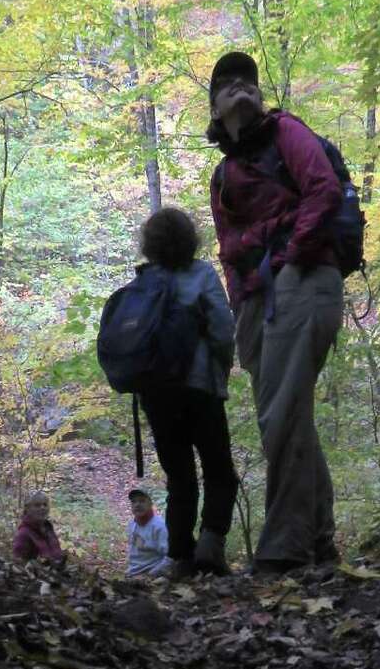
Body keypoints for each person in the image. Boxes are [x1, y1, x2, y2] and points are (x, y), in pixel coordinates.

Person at [207, 52, 344, 572]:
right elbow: (226, 247)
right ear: (215, 110)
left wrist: (288, 256)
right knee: (285, 419)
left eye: (248, 80)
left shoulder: (287, 131)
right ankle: (321, 539)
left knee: (282, 413)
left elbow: (323, 190)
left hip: (302, 277)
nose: (240, 84)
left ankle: (284, 549)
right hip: (254, 299)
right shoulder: (223, 175)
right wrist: (242, 303)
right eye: (226, 83)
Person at [132, 206, 238, 578]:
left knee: (179, 476)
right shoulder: (202, 275)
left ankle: (180, 557)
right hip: (200, 388)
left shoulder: (142, 282)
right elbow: (224, 331)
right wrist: (221, 370)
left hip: (157, 393)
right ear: (191, 239)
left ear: (150, 245)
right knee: (219, 469)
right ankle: (211, 544)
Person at [125, 488, 170, 577]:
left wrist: (150, 576)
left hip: (151, 577)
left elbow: (169, 558)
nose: (137, 505)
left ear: (150, 504)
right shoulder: (132, 524)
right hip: (132, 574)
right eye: (134, 502)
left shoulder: (159, 527)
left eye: (142, 501)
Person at [10, 490, 64, 563]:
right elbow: (17, 564)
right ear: (27, 508)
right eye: (37, 505)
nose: (42, 508)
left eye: (45, 504)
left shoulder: (48, 528)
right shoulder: (24, 533)